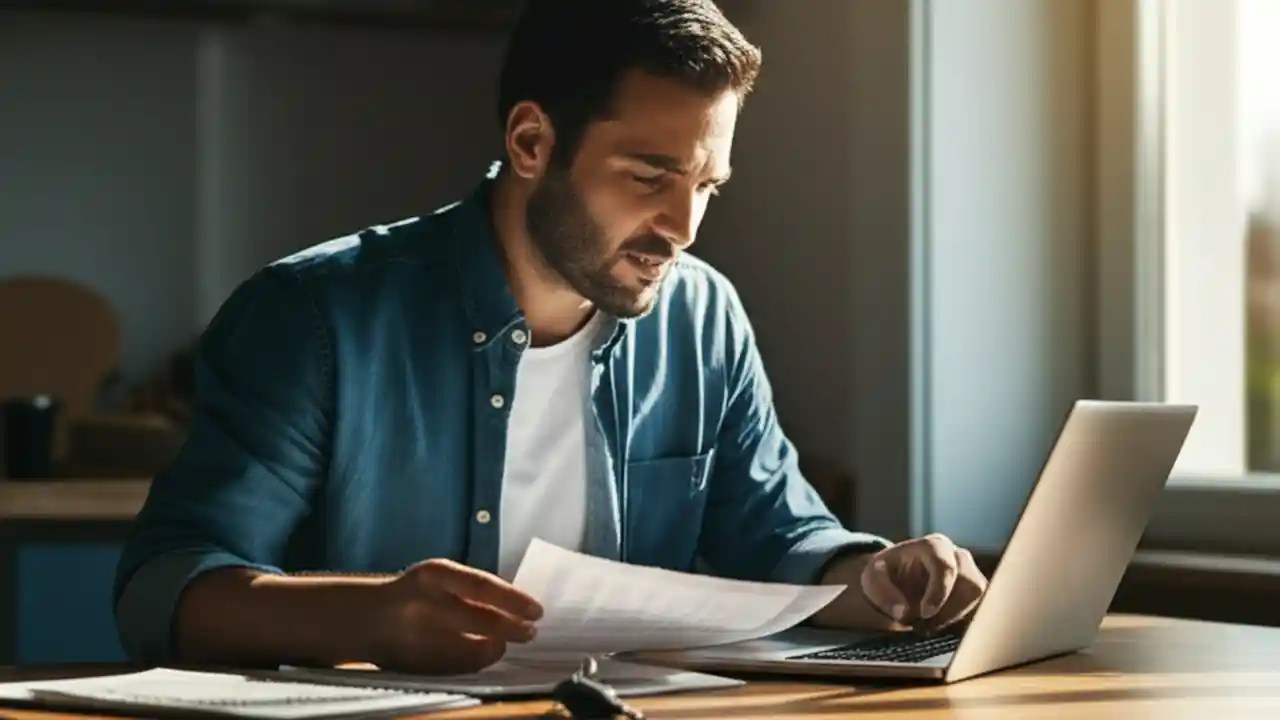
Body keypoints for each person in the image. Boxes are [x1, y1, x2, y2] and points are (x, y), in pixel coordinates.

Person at [115, 0, 987, 674]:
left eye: (707, 185)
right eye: (652, 176)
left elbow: (778, 540)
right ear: (532, 141)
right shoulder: (313, 317)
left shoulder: (704, 317)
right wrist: (366, 616)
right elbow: (165, 589)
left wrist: (875, 577)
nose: (682, 225)